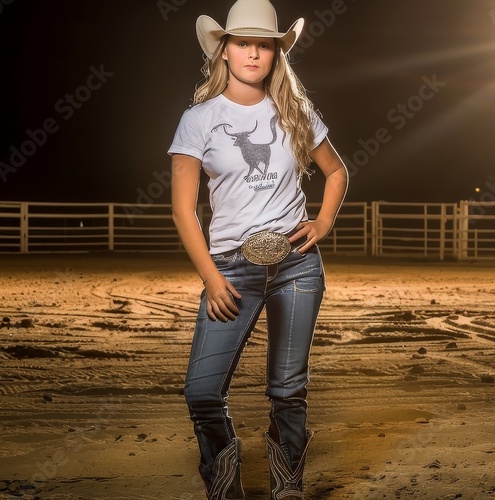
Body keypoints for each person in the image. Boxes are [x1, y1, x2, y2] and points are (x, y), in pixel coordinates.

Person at [168, 0, 348, 497]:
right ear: (223, 50)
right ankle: (225, 484)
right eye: (242, 43)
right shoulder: (199, 119)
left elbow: (337, 172)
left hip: (297, 266)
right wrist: (210, 277)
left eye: (264, 45)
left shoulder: (295, 112)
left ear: (276, 53)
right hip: (231, 268)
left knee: (288, 390)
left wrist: (324, 221)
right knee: (202, 392)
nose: (253, 53)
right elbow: (184, 210)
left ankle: (286, 485)